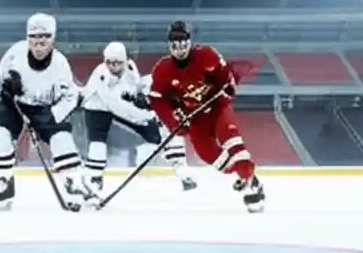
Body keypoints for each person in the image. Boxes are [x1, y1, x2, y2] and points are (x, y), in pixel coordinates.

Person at [148, 21, 265, 212]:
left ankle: (251, 184)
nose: (179, 49)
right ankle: (244, 174)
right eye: (175, 44)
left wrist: (228, 87)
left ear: (190, 41)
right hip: (195, 119)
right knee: (209, 155)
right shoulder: (163, 70)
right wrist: (173, 119)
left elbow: (226, 77)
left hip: (217, 109)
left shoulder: (207, 55)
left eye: (183, 43)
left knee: (233, 144)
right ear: (169, 45)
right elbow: (158, 100)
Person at [0, 12, 83, 210]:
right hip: (15, 102)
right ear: (27, 37)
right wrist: (9, 84)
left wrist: (53, 117)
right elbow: (3, 72)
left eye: (44, 36)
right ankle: (5, 181)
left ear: (52, 38)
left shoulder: (60, 64)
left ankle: (71, 181)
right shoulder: (15, 52)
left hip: (46, 108)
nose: (39, 43)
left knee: (61, 138)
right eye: (34, 36)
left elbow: (70, 96)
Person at [80, 41, 195, 197]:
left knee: (164, 129)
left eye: (117, 62)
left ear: (125, 60)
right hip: (96, 107)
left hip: (125, 107)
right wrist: (147, 116)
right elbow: (117, 107)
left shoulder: (131, 68)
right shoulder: (101, 76)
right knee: (98, 143)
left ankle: (182, 169)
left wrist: (146, 96)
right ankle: (93, 179)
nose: (113, 66)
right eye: (109, 62)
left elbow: (136, 88)